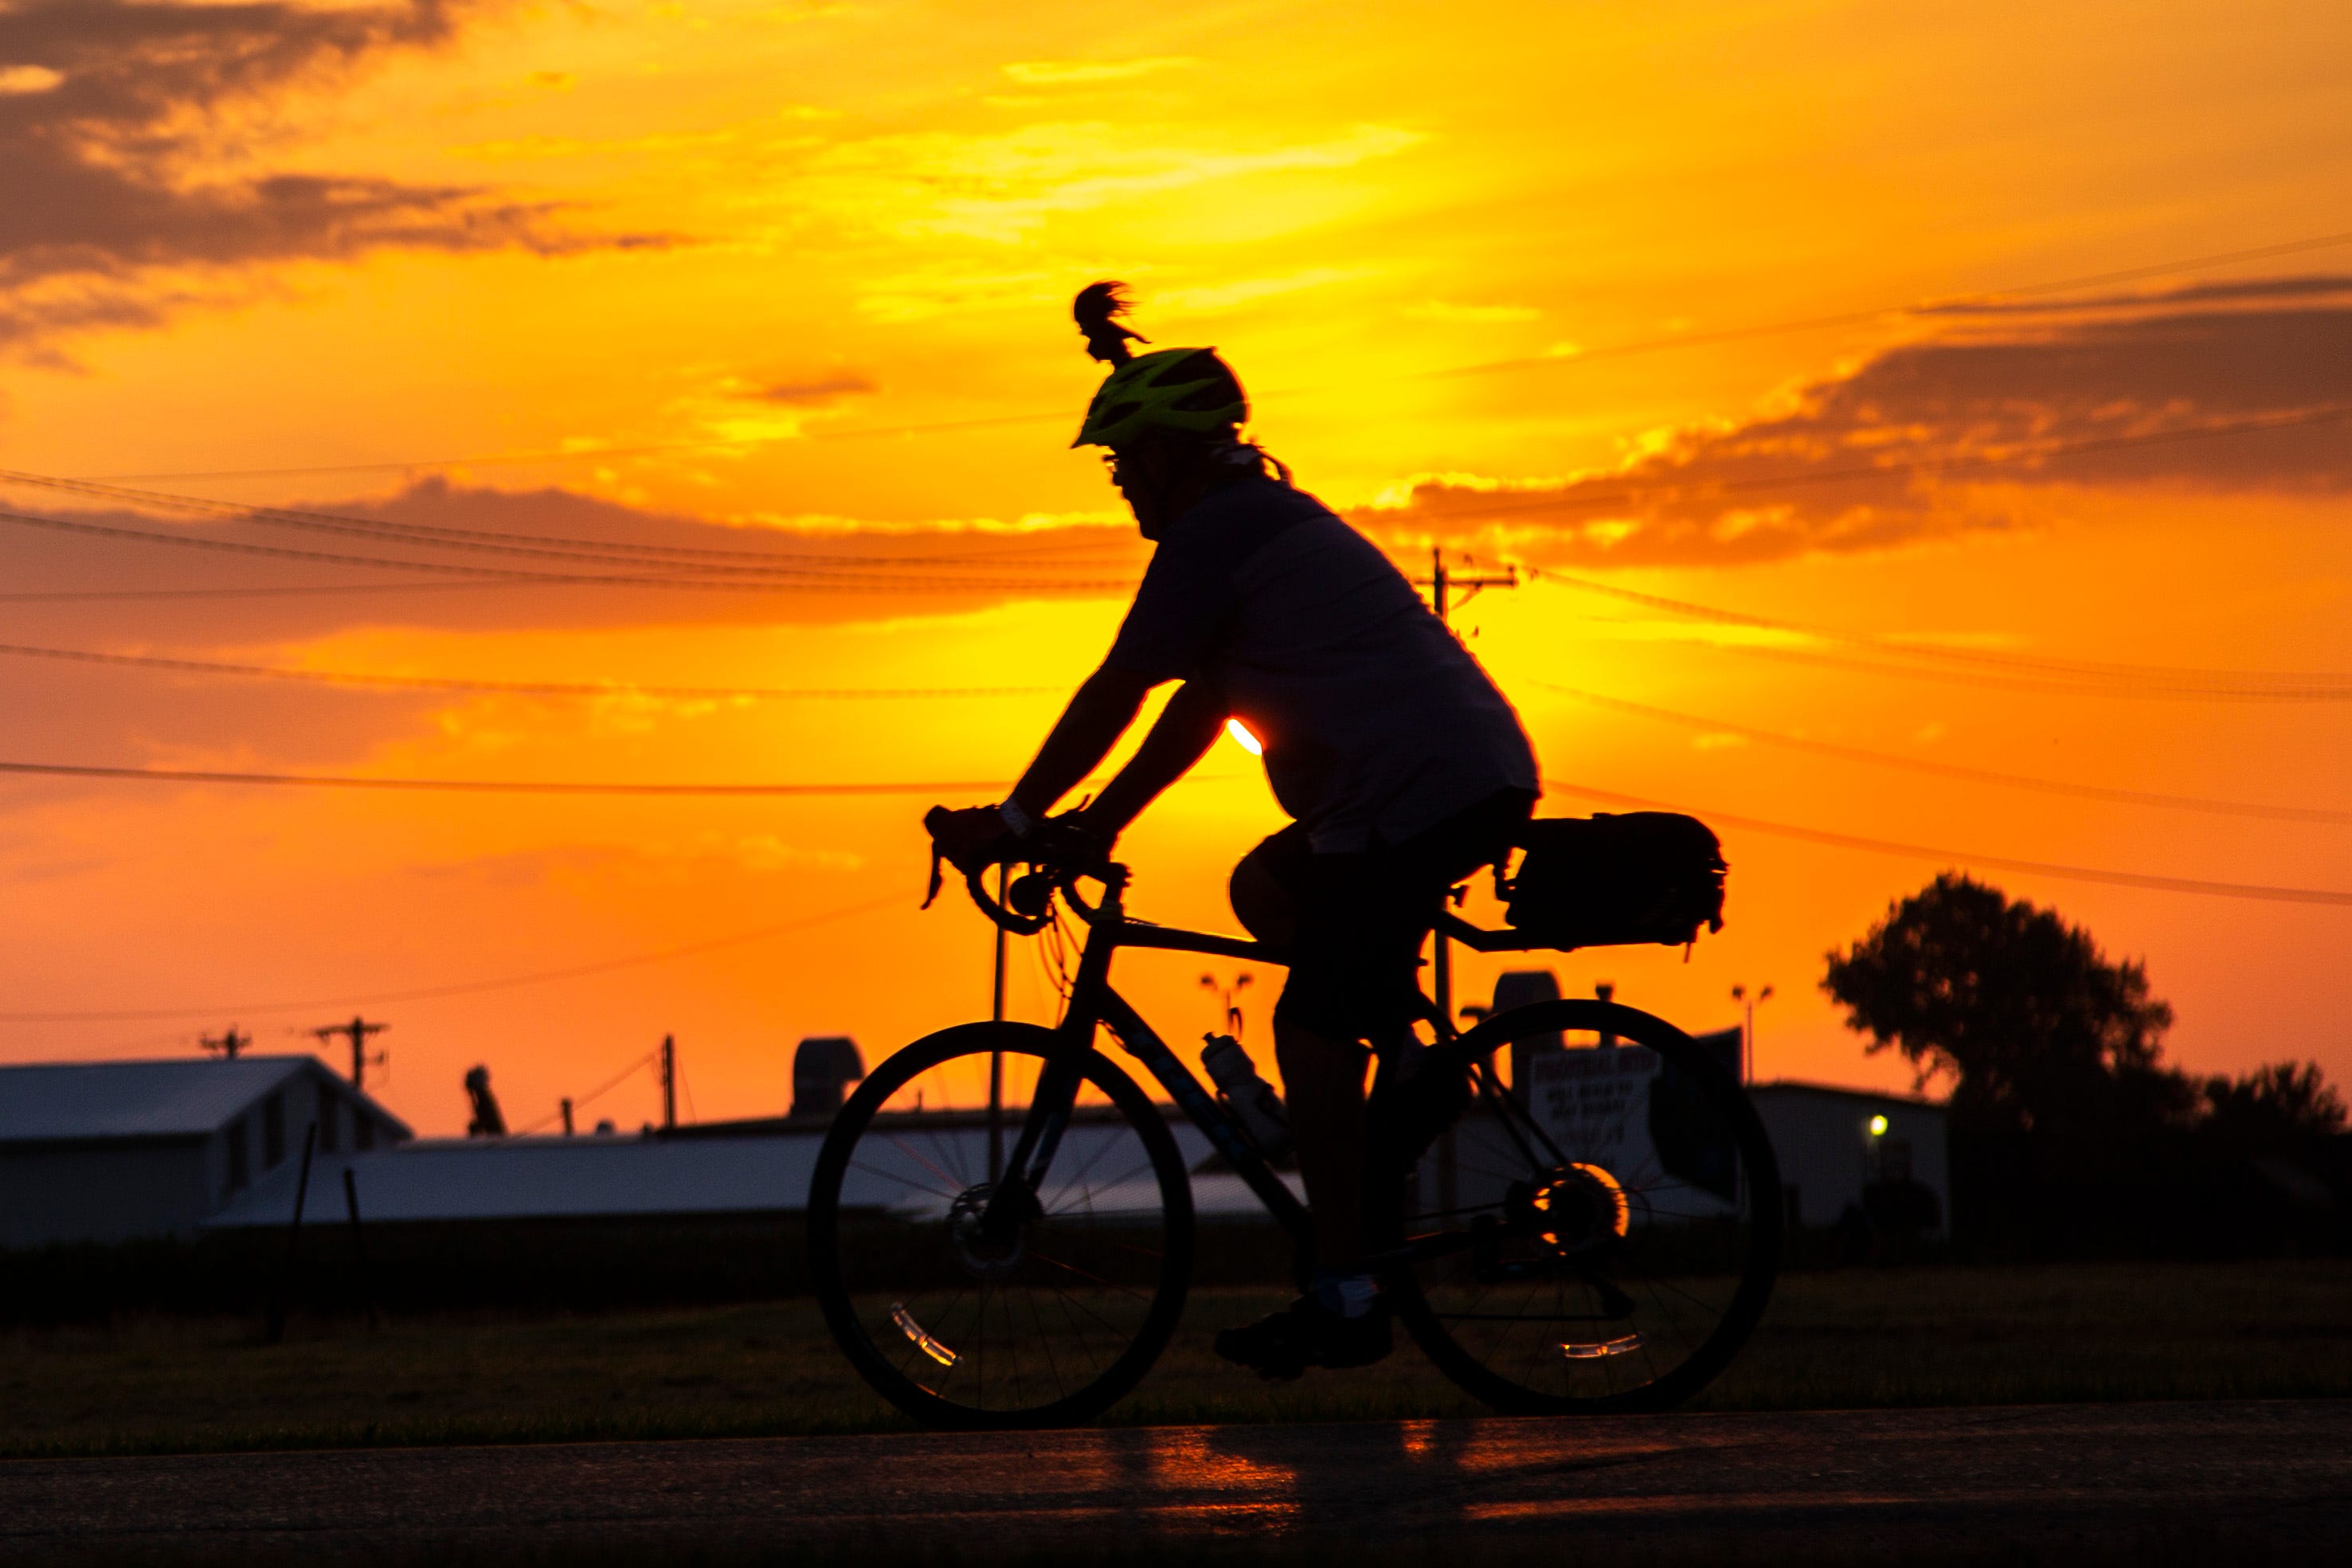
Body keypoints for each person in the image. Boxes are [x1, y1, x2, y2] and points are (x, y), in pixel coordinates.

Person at [929, 282, 1539, 1378]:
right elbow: (1200, 710)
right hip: (1421, 791)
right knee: (1263, 888)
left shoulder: (1218, 530)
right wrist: (1092, 825)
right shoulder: (1244, 528)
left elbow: (1120, 683)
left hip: (1419, 795)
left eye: (1122, 464)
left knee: (1308, 1037)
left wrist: (1021, 817)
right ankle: (1402, 1067)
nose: (1118, 487)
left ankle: (1348, 1291)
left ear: (1167, 453)